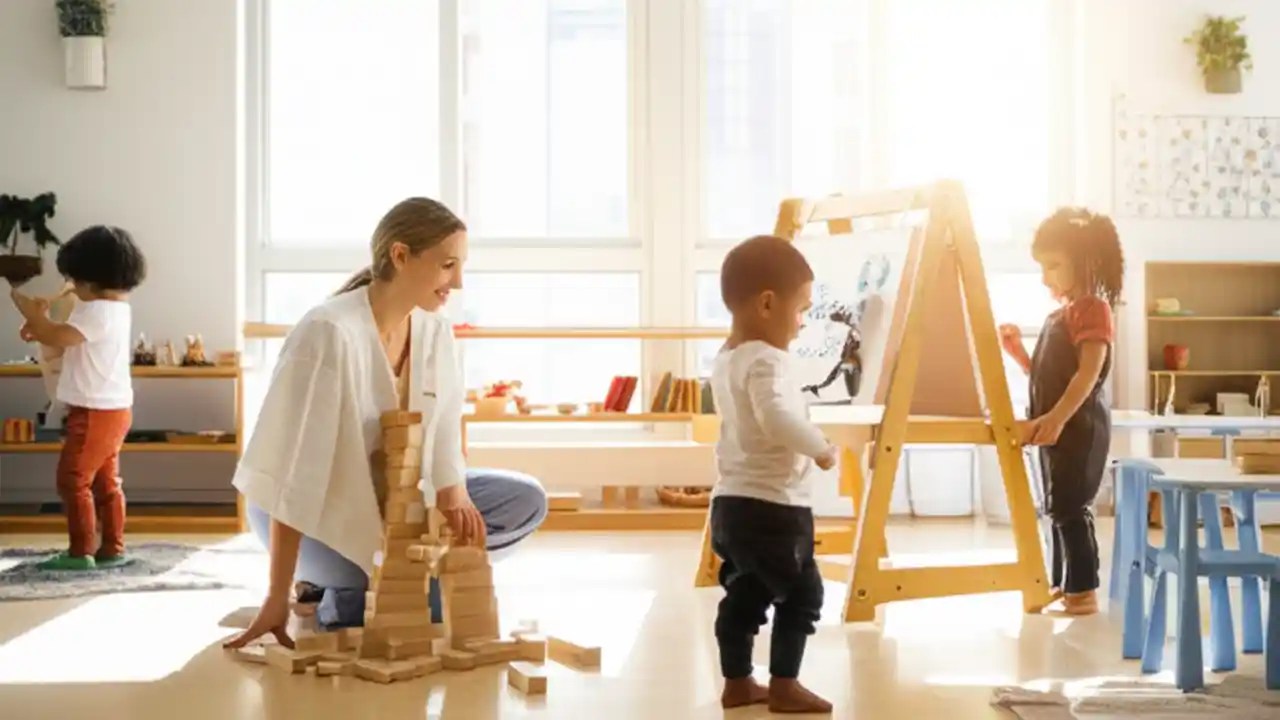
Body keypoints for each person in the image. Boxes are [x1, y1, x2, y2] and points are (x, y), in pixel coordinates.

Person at [225, 197, 547, 648]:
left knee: (526, 500)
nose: (458, 282)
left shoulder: (435, 331)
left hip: (400, 503)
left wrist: (453, 494)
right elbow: (293, 475)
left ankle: (364, 584)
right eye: (447, 265)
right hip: (309, 509)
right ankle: (325, 589)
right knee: (416, 599)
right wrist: (275, 596)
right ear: (400, 255)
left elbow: (445, 436)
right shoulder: (327, 332)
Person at [708, 235, 836, 714]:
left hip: (731, 505)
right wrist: (821, 447)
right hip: (773, 507)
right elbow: (777, 418)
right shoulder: (768, 359)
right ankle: (784, 685)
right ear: (767, 303)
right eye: (801, 309)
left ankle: (738, 681)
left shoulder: (727, 358)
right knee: (803, 594)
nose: (802, 325)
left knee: (746, 592)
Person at [998, 207, 1124, 616]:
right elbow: (1051, 377)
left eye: (1053, 265)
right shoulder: (1062, 314)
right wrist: (1020, 355)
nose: (1045, 277)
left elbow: (1087, 375)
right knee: (1056, 505)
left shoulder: (1093, 309)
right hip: (1057, 427)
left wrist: (1055, 418)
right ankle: (1062, 582)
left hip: (1077, 427)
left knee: (1070, 506)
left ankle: (1083, 590)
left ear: (1085, 260)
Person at [10, 226, 146, 571]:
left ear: (89, 280)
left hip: (93, 410)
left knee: (72, 480)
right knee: (106, 482)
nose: (71, 286)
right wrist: (40, 326)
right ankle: (112, 547)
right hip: (113, 408)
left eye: (74, 280)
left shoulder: (96, 310)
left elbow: (60, 335)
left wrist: (30, 312)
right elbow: (61, 339)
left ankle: (80, 551)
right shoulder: (116, 308)